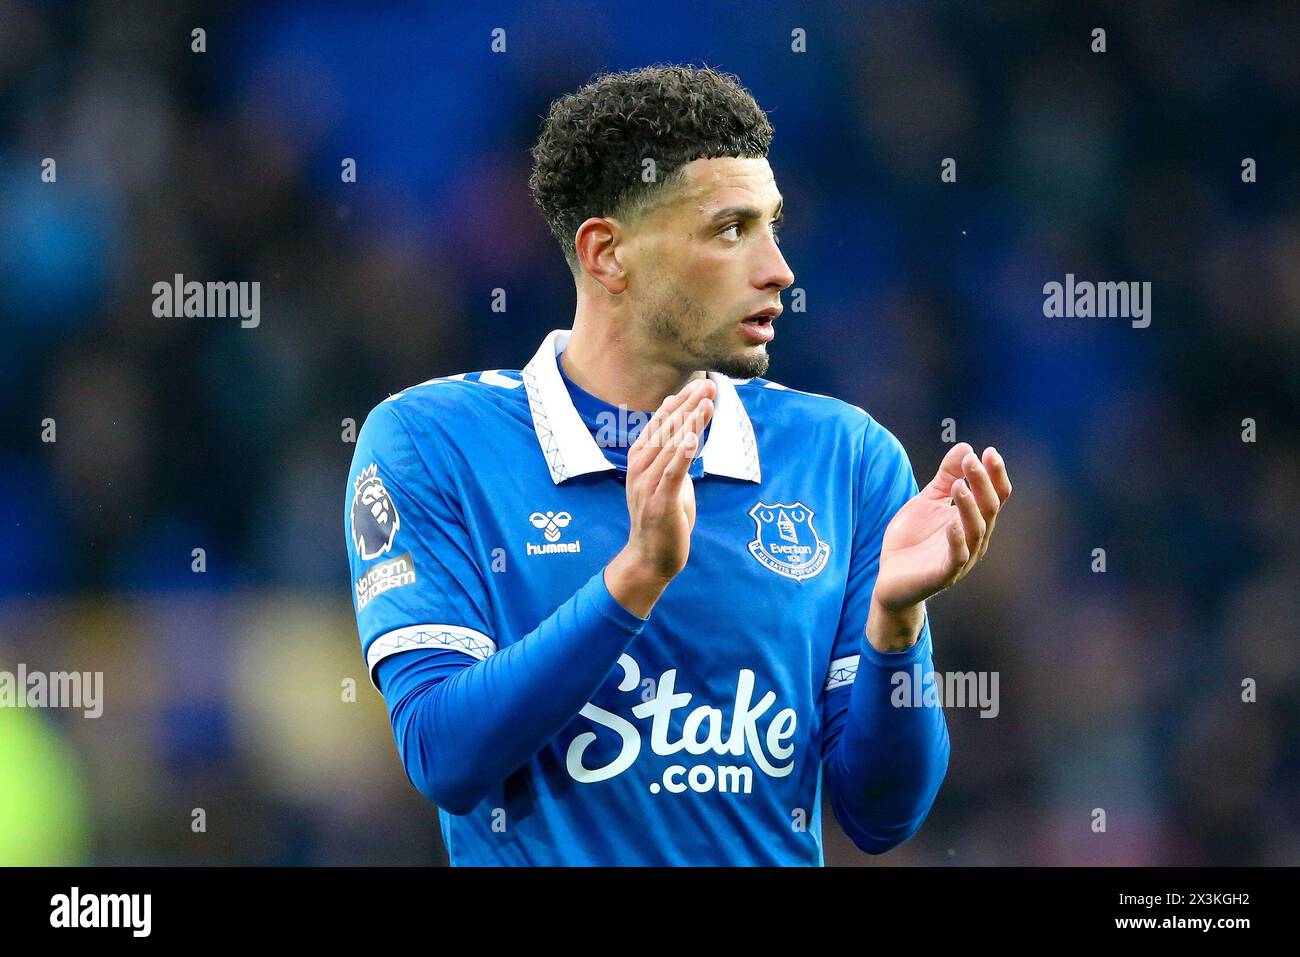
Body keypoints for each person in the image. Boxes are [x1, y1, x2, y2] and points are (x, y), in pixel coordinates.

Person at [344, 64, 1012, 865]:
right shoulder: (433, 442)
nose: (778, 268)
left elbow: (881, 814)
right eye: (731, 230)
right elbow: (443, 753)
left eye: (774, 224)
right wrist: (634, 579)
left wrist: (897, 627)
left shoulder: (845, 457)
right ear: (607, 255)